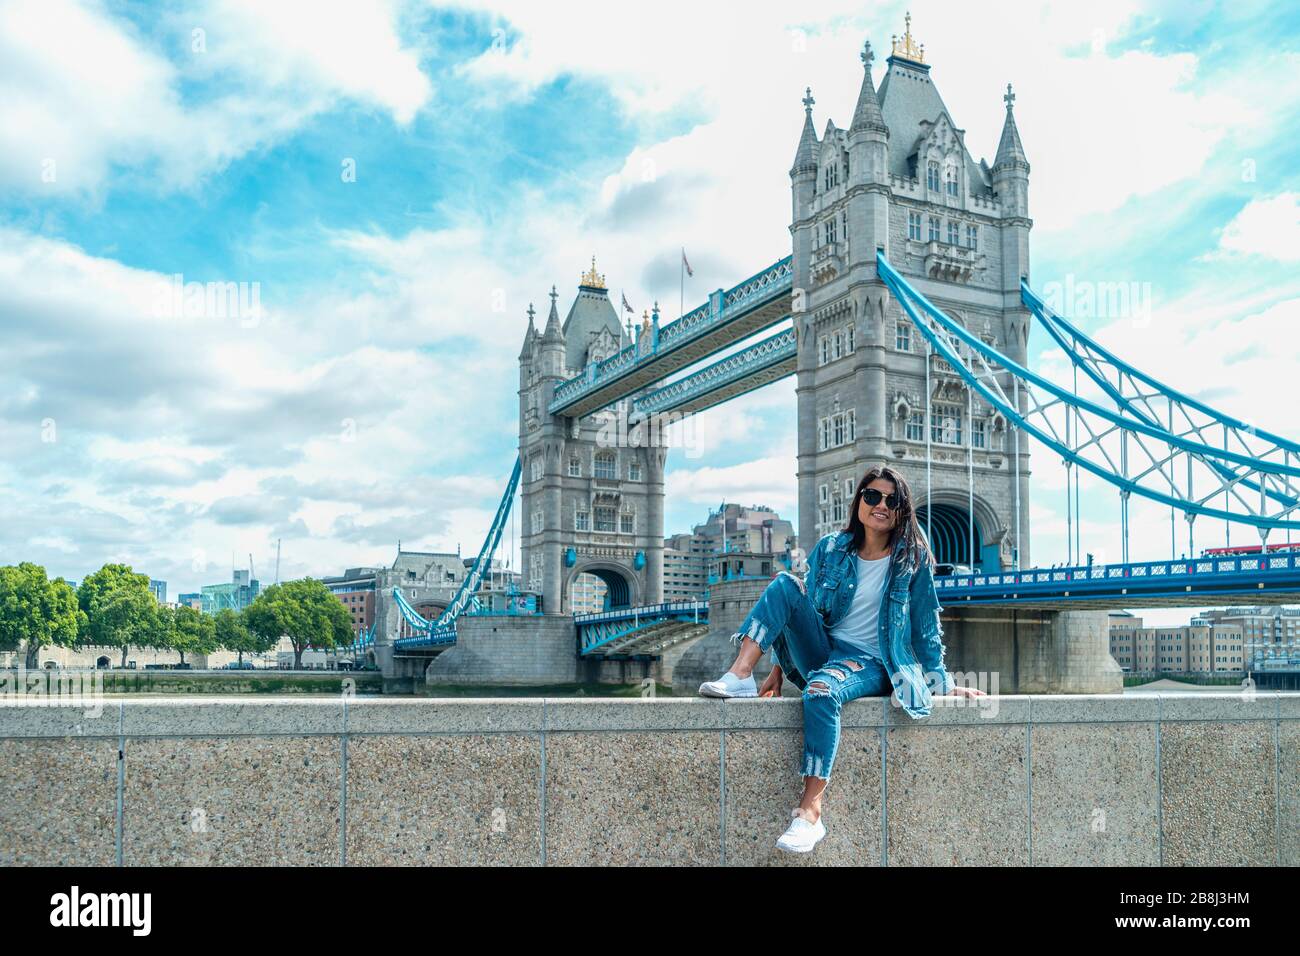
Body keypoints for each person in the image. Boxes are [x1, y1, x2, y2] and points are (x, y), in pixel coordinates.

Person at [698, 464, 985, 853]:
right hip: (825, 650)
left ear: (902, 509)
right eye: (872, 496)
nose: (880, 505)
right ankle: (741, 672)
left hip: (874, 661)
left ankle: (810, 812)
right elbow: (805, 611)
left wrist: (942, 682)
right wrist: (779, 670)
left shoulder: (912, 560)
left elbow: (925, 629)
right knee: (786, 584)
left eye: (892, 499)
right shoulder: (832, 548)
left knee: (820, 692)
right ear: (859, 502)